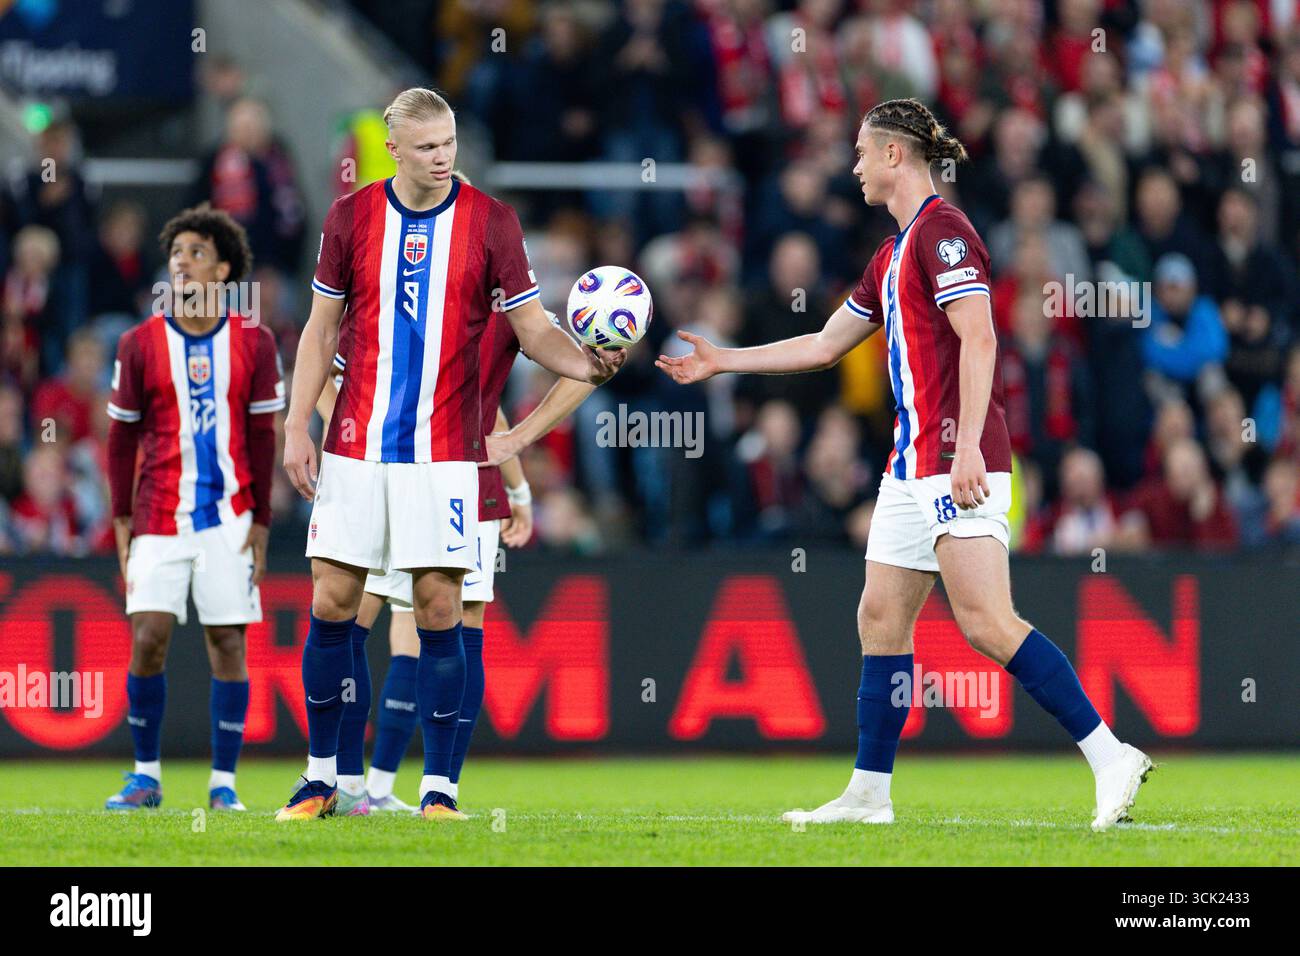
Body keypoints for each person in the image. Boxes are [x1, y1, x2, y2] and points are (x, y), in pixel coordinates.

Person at [657, 98, 1153, 831]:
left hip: (959, 459)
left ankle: (1111, 755)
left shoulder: (943, 232)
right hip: (909, 464)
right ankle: (868, 792)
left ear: (895, 155)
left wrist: (961, 452)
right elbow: (826, 344)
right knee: (881, 616)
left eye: (861, 152)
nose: (853, 167)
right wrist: (721, 360)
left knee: (985, 620)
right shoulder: (892, 252)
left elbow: (981, 340)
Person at [279, 88, 622, 822]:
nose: (442, 158)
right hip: (355, 447)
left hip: (443, 457)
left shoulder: (493, 223)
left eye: (449, 143)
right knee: (332, 603)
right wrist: (296, 426)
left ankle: (438, 792)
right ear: (395, 148)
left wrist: (587, 362)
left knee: (439, 609)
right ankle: (320, 781)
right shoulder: (350, 217)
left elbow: (532, 330)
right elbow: (318, 332)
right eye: (426, 146)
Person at [103, 205, 282, 811]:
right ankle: (145, 775)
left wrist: (261, 520)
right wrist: (121, 518)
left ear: (223, 269)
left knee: (227, 645)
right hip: (156, 512)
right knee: (148, 635)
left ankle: (223, 783)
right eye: (176, 252)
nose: (182, 261)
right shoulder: (137, 344)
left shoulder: (255, 344)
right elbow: (121, 437)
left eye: (196, 252)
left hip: (229, 516)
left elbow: (263, 437)